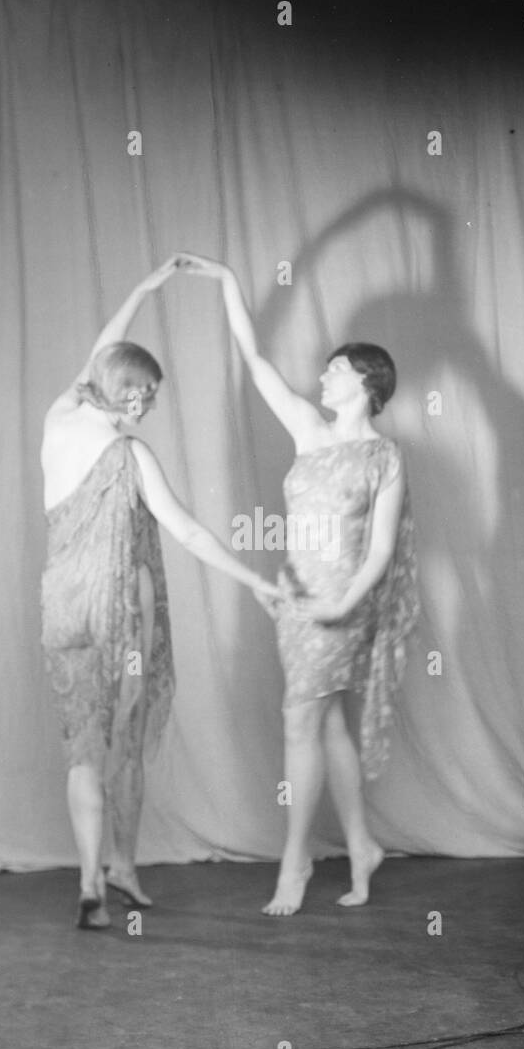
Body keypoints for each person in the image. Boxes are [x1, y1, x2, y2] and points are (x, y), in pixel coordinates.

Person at [40, 257, 280, 928]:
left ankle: (97, 878)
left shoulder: (60, 419)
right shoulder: (132, 456)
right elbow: (193, 535)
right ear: (126, 393)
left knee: (84, 745)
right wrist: (257, 580)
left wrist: (143, 288)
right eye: (142, 395)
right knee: (128, 728)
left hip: (62, 604)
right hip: (125, 611)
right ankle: (120, 865)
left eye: (148, 397)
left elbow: (97, 357)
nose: (145, 406)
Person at [176, 253, 419, 915]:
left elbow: (382, 547)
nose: (320, 375)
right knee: (327, 722)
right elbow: (255, 361)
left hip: (340, 601)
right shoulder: (306, 431)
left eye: (334, 369)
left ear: (366, 380)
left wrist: (344, 600)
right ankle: (362, 846)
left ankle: (296, 861)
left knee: (298, 720)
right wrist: (228, 279)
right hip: (294, 594)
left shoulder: (383, 455)